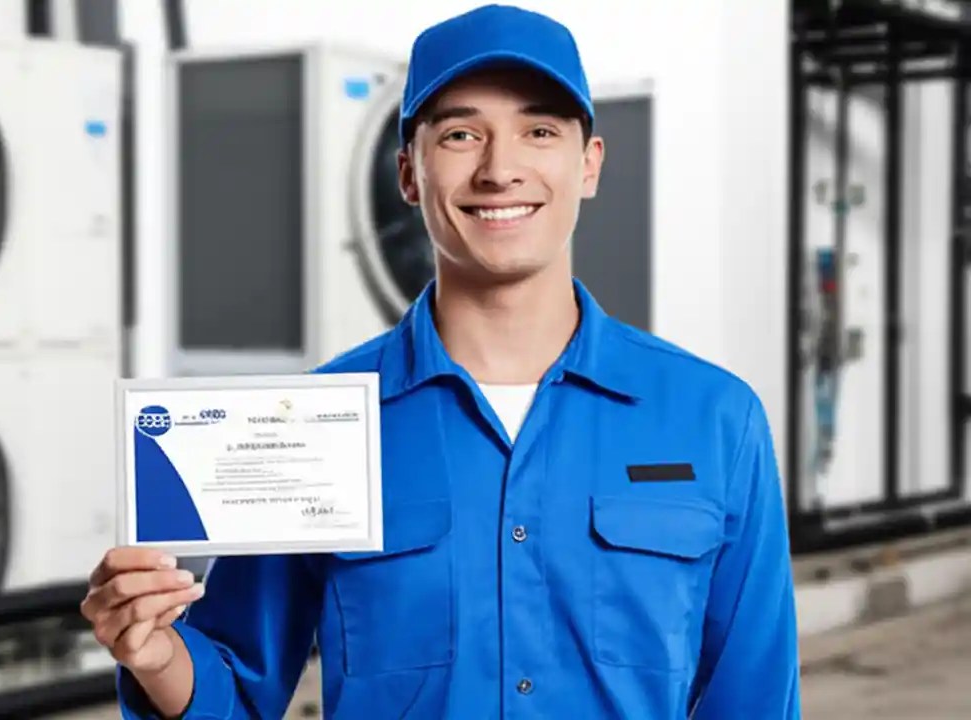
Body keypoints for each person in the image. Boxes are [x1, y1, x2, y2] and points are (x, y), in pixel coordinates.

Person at [81, 4, 802, 718]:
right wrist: (156, 654)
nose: (500, 169)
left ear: (589, 165)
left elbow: (756, 699)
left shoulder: (713, 418)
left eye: (539, 130)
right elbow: (234, 694)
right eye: (461, 134)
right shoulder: (310, 425)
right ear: (408, 172)